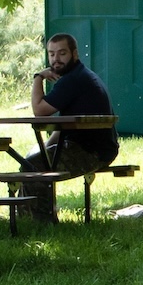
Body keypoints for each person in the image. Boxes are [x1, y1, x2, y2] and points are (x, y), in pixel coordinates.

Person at [20, 33, 119, 223]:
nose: (56, 60)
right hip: (99, 149)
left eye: (62, 53)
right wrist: (46, 148)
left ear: (75, 54)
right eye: (51, 54)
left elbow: (39, 111)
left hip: (92, 152)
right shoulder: (79, 76)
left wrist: (38, 78)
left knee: (33, 166)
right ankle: (29, 220)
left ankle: (40, 223)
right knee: (34, 161)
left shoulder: (73, 80)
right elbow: (64, 124)